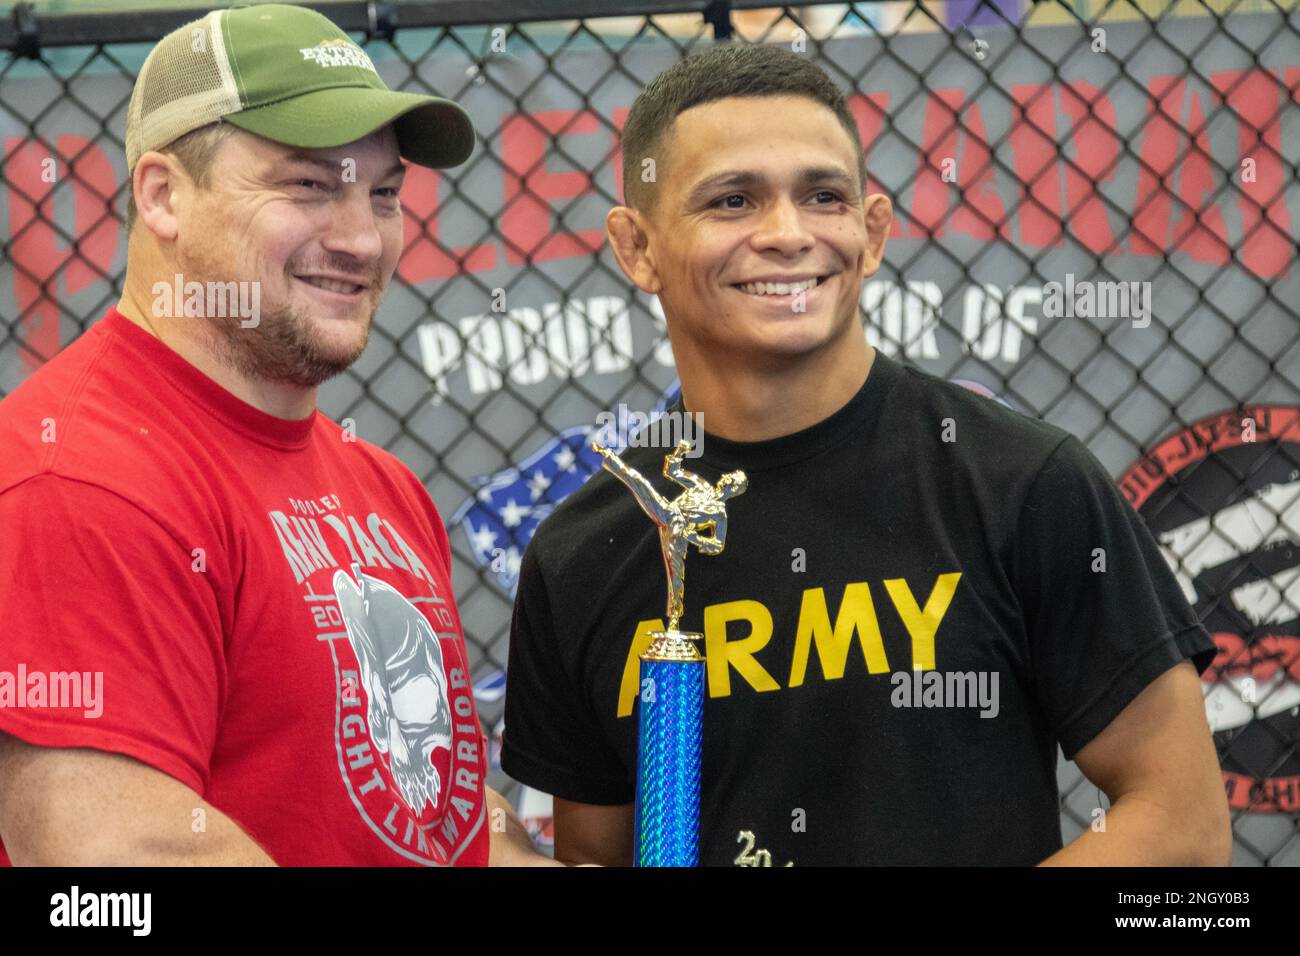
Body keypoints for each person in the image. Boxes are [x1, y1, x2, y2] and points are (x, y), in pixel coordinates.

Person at [501, 43, 1231, 866]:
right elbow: (595, 854)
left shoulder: (1021, 482)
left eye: (822, 196)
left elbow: (1182, 823)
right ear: (639, 249)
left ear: (872, 232)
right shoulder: (582, 556)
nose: (787, 234)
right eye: (733, 200)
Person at [0, 3, 553, 866]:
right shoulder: (74, 475)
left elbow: (426, 811)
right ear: (163, 195)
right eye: (307, 185)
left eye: (383, 194)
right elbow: (111, 868)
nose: (361, 238)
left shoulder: (381, 485)